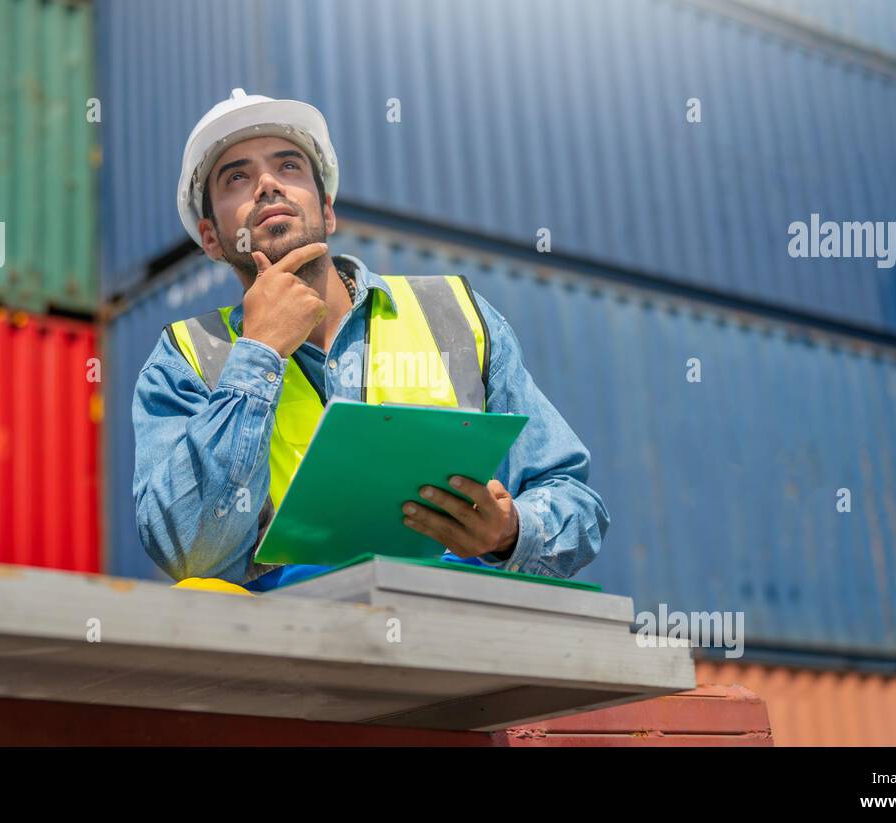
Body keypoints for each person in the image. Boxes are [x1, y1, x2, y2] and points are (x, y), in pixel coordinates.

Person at [132, 89, 609, 593]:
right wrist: (259, 354)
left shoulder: (454, 314)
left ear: (328, 211)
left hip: (457, 624)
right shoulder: (186, 358)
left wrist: (508, 532)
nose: (268, 184)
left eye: (289, 166)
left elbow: (576, 501)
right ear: (210, 237)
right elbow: (188, 550)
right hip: (289, 642)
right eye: (237, 177)